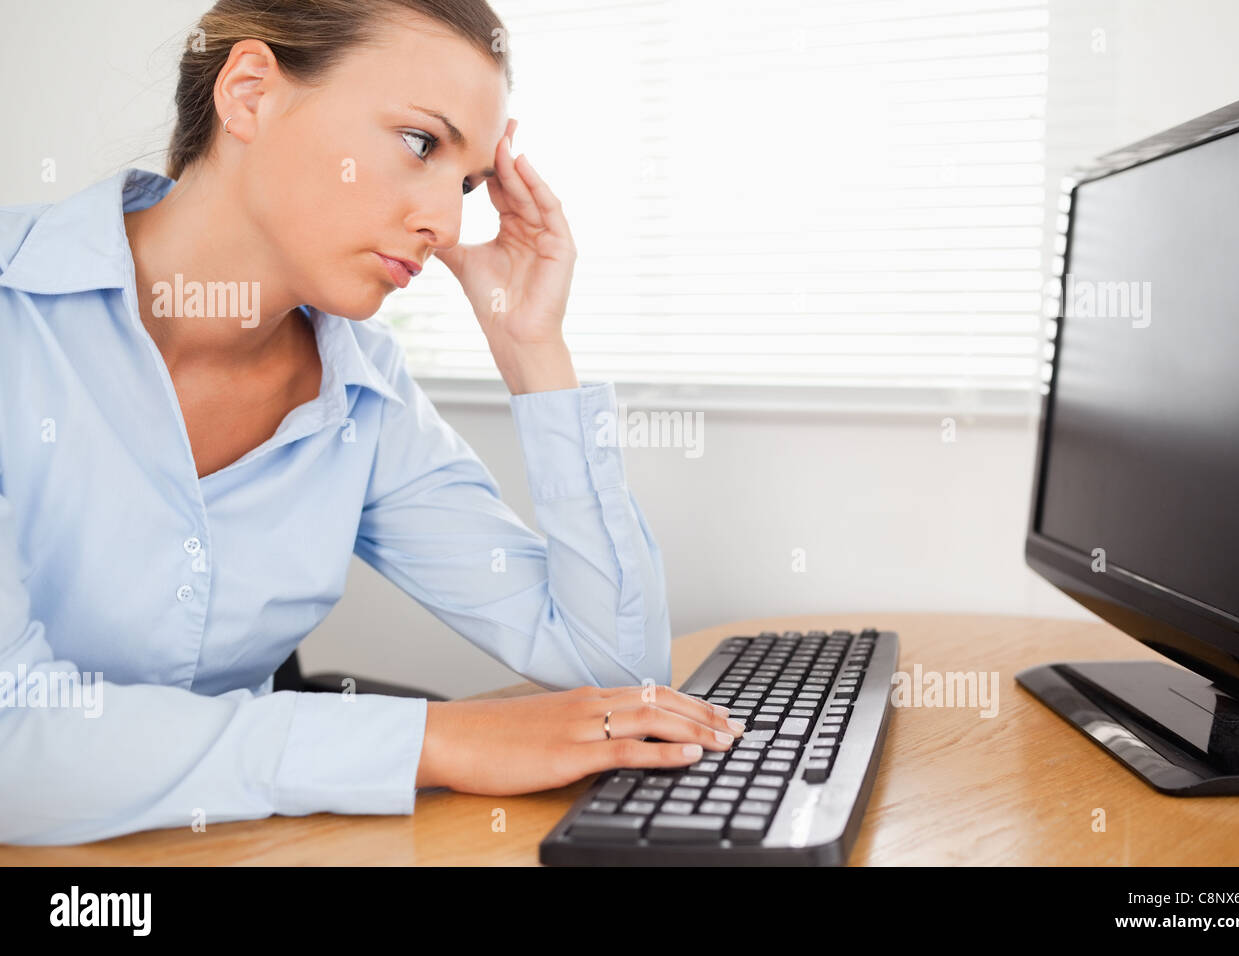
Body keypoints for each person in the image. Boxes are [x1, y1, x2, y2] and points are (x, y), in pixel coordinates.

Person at [0, 0, 742, 846]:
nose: (450, 224)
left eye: (467, 182)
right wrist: (432, 739)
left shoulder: (362, 391)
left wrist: (533, 349)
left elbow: (616, 674)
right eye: (421, 143)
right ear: (249, 94)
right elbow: (12, 744)